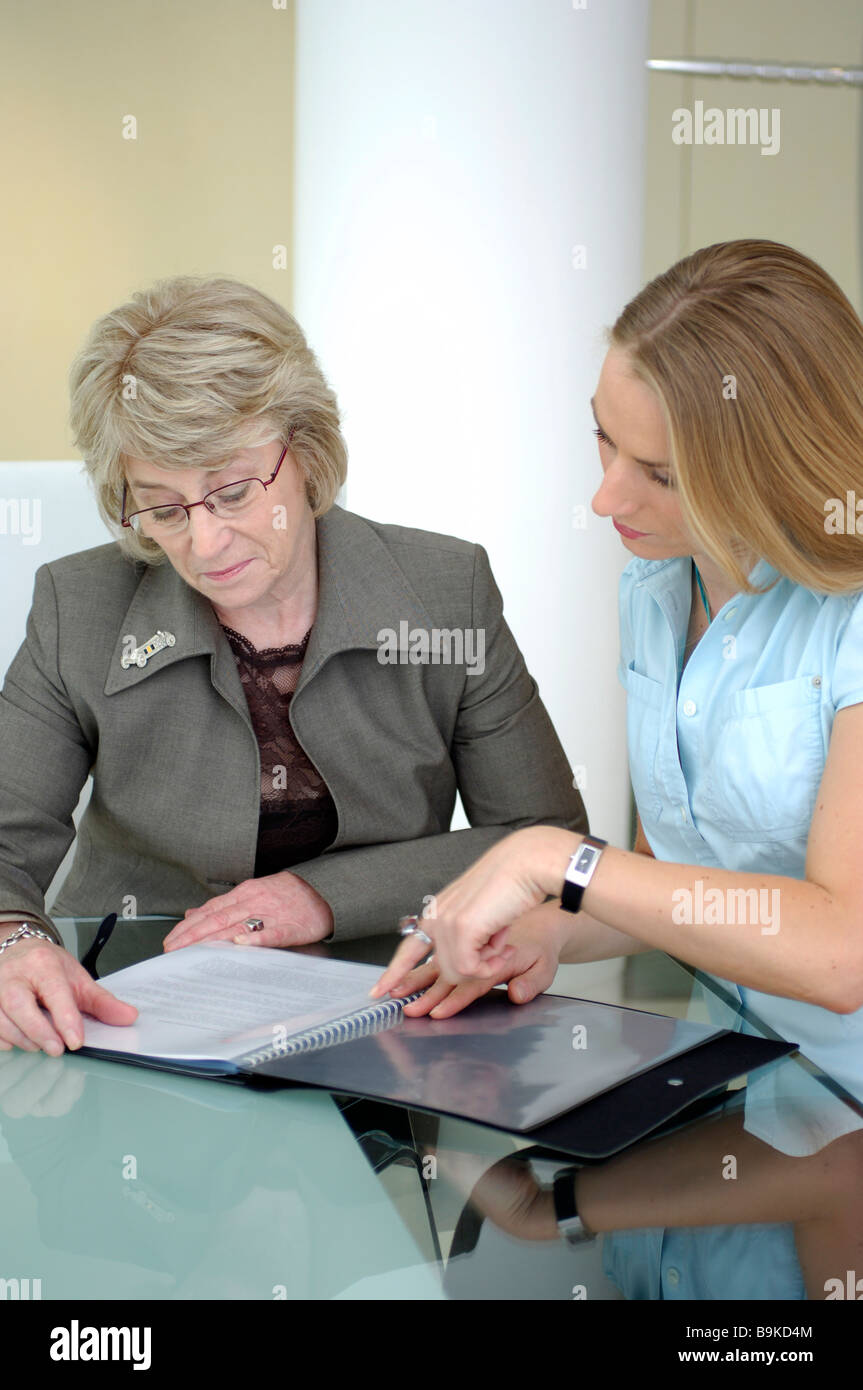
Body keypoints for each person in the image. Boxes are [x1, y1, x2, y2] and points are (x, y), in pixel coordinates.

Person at [0, 275, 586, 1057]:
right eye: (164, 509)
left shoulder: (445, 591)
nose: (205, 545)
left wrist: (325, 897)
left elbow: (546, 843)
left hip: (382, 1005)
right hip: (119, 1009)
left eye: (234, 492)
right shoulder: (80, 605)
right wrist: (11, 943)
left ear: (305, 452)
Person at [375, 238, 863, 1102]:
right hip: (751, 1082)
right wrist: (550, 934)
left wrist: (553, 859)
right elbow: (687, 864)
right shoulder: (655, 584)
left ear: (775, 468)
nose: (605, 499)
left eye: (660, 475)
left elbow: (838, 953)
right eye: (602, 442)